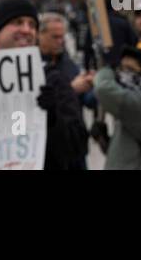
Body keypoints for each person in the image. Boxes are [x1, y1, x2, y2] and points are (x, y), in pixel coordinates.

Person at [37, 9, 93, 170]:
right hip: (50, 149)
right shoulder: (32, 66)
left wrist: (91, 86)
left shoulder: (67, 62)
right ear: (39, 35)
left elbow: (84, 101)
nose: (60, 41)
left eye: (63, 36)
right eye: (55, 37)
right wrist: (70, 90)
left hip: (74, 143)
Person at [92, 46, 141, 170]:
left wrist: (107, 68)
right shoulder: (135, 102)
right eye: (121, 69)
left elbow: (103, 89)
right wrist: (104, 139)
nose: (122, 74)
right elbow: (126, 152)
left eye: (130, 69)